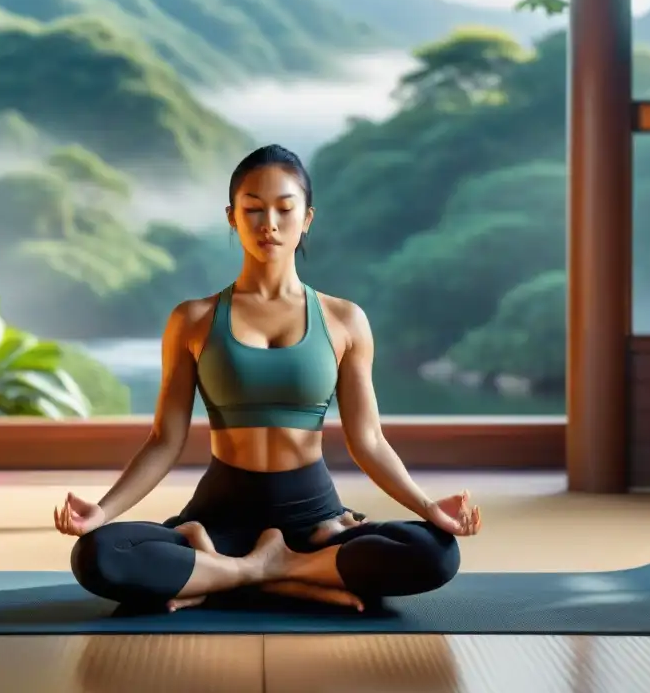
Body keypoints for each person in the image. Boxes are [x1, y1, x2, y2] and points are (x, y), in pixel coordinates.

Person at [53, 144, 482, 613]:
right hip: (217, 521)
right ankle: (273, 573)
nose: (269, 224)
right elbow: (163, 440)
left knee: (436, 554)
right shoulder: (193, 319)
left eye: (284, 208)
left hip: (315, 521)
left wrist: (427, 509)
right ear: (232, 217)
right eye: (252, 209)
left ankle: (237, 575)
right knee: (97, 555)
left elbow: (370, 441)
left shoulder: (344, 320)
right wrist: (103, 511)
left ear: (308, 218)